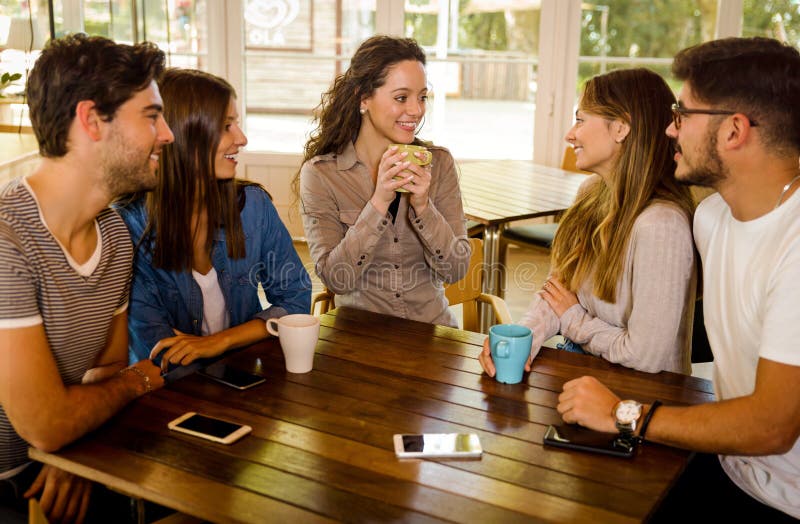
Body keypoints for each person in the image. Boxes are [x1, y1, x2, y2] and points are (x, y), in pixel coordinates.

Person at [557, 37, 800, 522]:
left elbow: (772, 427)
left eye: (682, 115)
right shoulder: (711, 218)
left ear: (733, 131)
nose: (668, 130)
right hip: (733, 467)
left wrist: (623, 415)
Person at [0, 34, 172, 523]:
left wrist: (73, 449)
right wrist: (138, 381)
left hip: (72, 462)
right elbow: (47, 422)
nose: (168, 135)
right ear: (92, 121)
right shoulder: (7, 241)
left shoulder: (115, 236)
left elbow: (109, 371)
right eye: (152, 116)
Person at [480, 68, 696, 376]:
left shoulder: (661, 225)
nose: (570, 134)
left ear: (621, 127)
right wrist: (526, 336)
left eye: (581, 120)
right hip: (582, 372)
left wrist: (573, 318)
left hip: (637, 400)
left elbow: (645, 356)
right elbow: (558, 291)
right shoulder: (591, 193)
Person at [116, 68, 311, 368]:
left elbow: (296, 298)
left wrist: (220, 342)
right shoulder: (128, 226)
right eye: (226, 126)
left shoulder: (253, 206)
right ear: (180, 135)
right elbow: (158, 351)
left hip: (243, 376)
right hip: (168, 397)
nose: (242, 138)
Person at [297, 35, 471, 327]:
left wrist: (423, 207)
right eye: (401, 98)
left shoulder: (439, 164)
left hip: (432, 332)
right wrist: (378, 203)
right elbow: (336, 279)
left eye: (422, 97)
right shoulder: (321, 174)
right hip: (361, 339)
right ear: (363, 98)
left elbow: (455, 271)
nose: (416, 110)